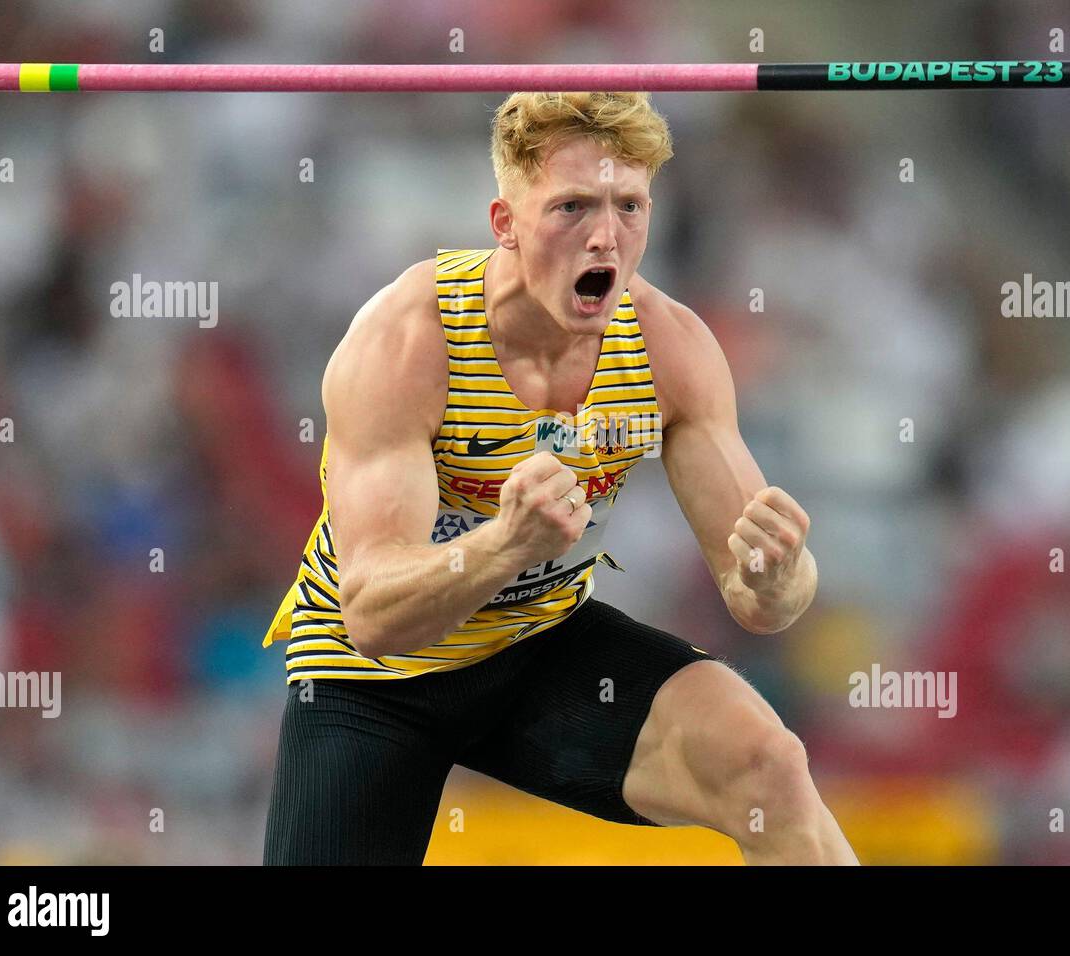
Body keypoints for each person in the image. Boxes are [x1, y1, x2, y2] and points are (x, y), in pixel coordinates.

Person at [261, 91, 858, 866]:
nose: (605, 238)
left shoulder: (669, 348)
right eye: (572, 207)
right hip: (373, 683)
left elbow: (760, 601)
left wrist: (780, 577)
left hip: (535, 645)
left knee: (768, 769)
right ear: (505, 224)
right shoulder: (407, 342)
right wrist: (506, 544)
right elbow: (374, 615)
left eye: (629, 207)